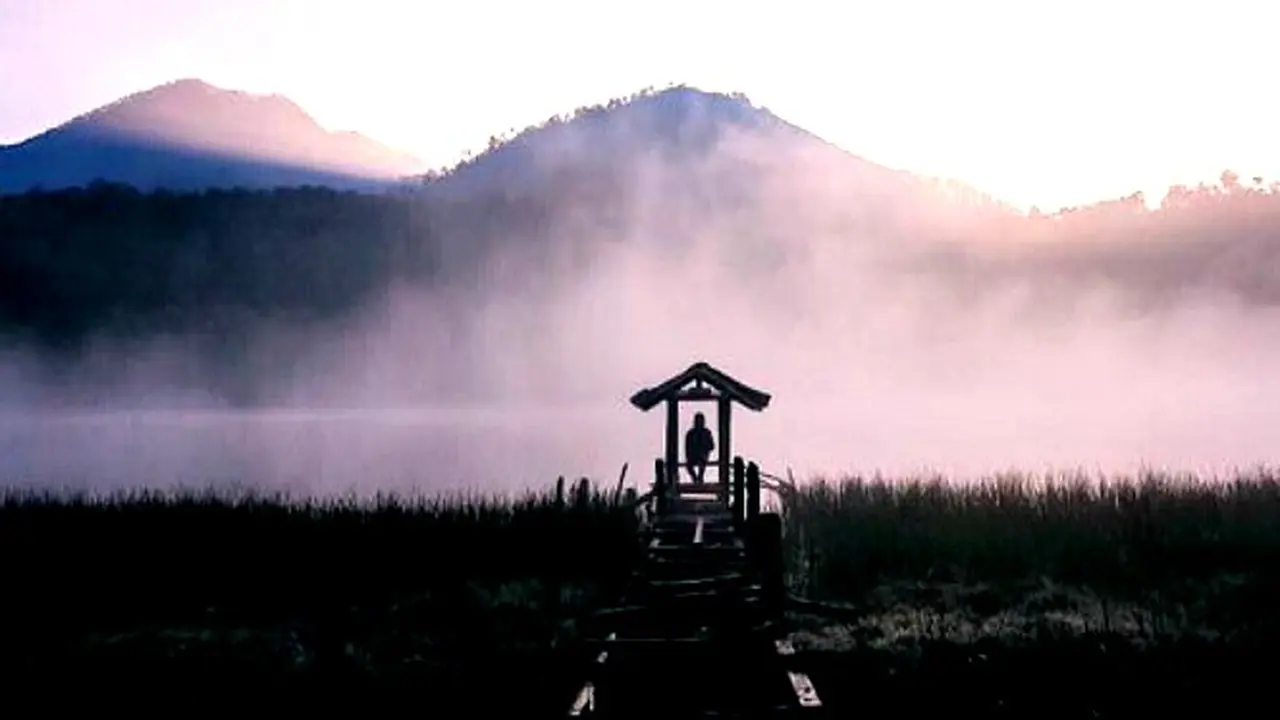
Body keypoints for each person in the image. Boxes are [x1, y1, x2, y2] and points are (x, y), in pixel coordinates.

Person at [684, 412, 715, 484]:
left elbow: (712, 446)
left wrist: (705, 446)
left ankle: (700, 477)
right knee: (689, 465)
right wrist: (688, 456)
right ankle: (695, 478)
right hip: (693, 456)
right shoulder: (691, 433)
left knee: (701, 461)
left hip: (703, 455)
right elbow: (687, 447)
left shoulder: (706, 432)